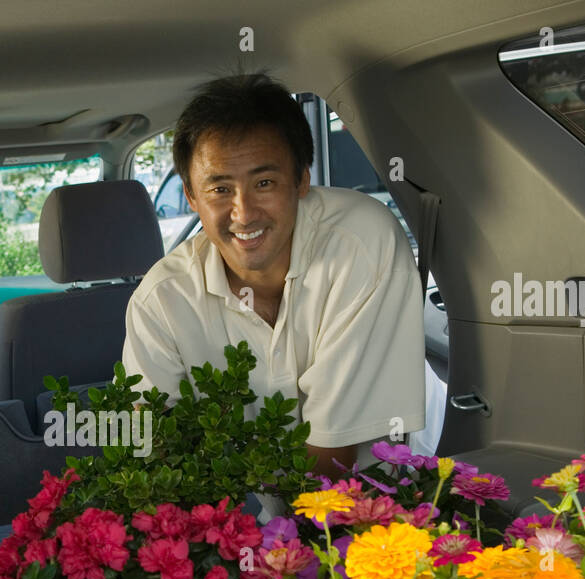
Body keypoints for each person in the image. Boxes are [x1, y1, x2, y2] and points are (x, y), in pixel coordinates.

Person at [122, 72, 426, 499]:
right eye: (220, 189)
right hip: (229, 524)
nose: (244, 214)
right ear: (191, 197)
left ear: (302, 179)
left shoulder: (361, 245)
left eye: (264, 183)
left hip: (368, 513)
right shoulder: (160, 302)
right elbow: (149, 453)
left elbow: (333, 462)